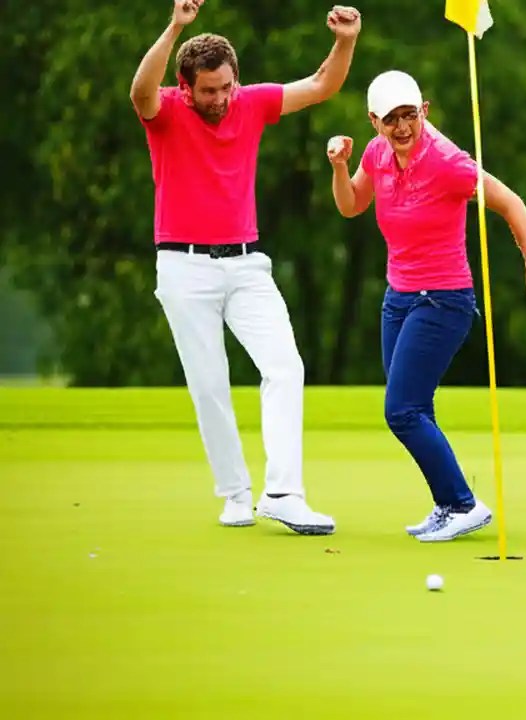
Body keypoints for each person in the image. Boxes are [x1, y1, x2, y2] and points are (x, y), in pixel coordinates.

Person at [129, 0, 362, 535]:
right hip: (183, 267)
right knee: (210, 384)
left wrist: (345, 40)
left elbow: (322, 85)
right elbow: (139, 91)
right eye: (208, 90)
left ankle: (283, 492)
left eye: (226, 87)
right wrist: (175, 27)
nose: (219, 98)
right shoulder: (164, 109)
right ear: (186, 87)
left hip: (247, 264)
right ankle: (235, 494)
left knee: (286, 366)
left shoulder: (251, 104)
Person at [325, 70, 526, 542]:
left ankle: (463, 504)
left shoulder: (449, 163)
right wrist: (339, 167)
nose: (403, 127)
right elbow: (350, 207)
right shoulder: (377, 155)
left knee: (401, 410)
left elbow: (512, 204)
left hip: (444, 298)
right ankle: (447, 503)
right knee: (415, 407)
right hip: (399, 298)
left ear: (424, 110)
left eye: (410, 115)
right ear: (374, 121)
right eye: (392, 119)